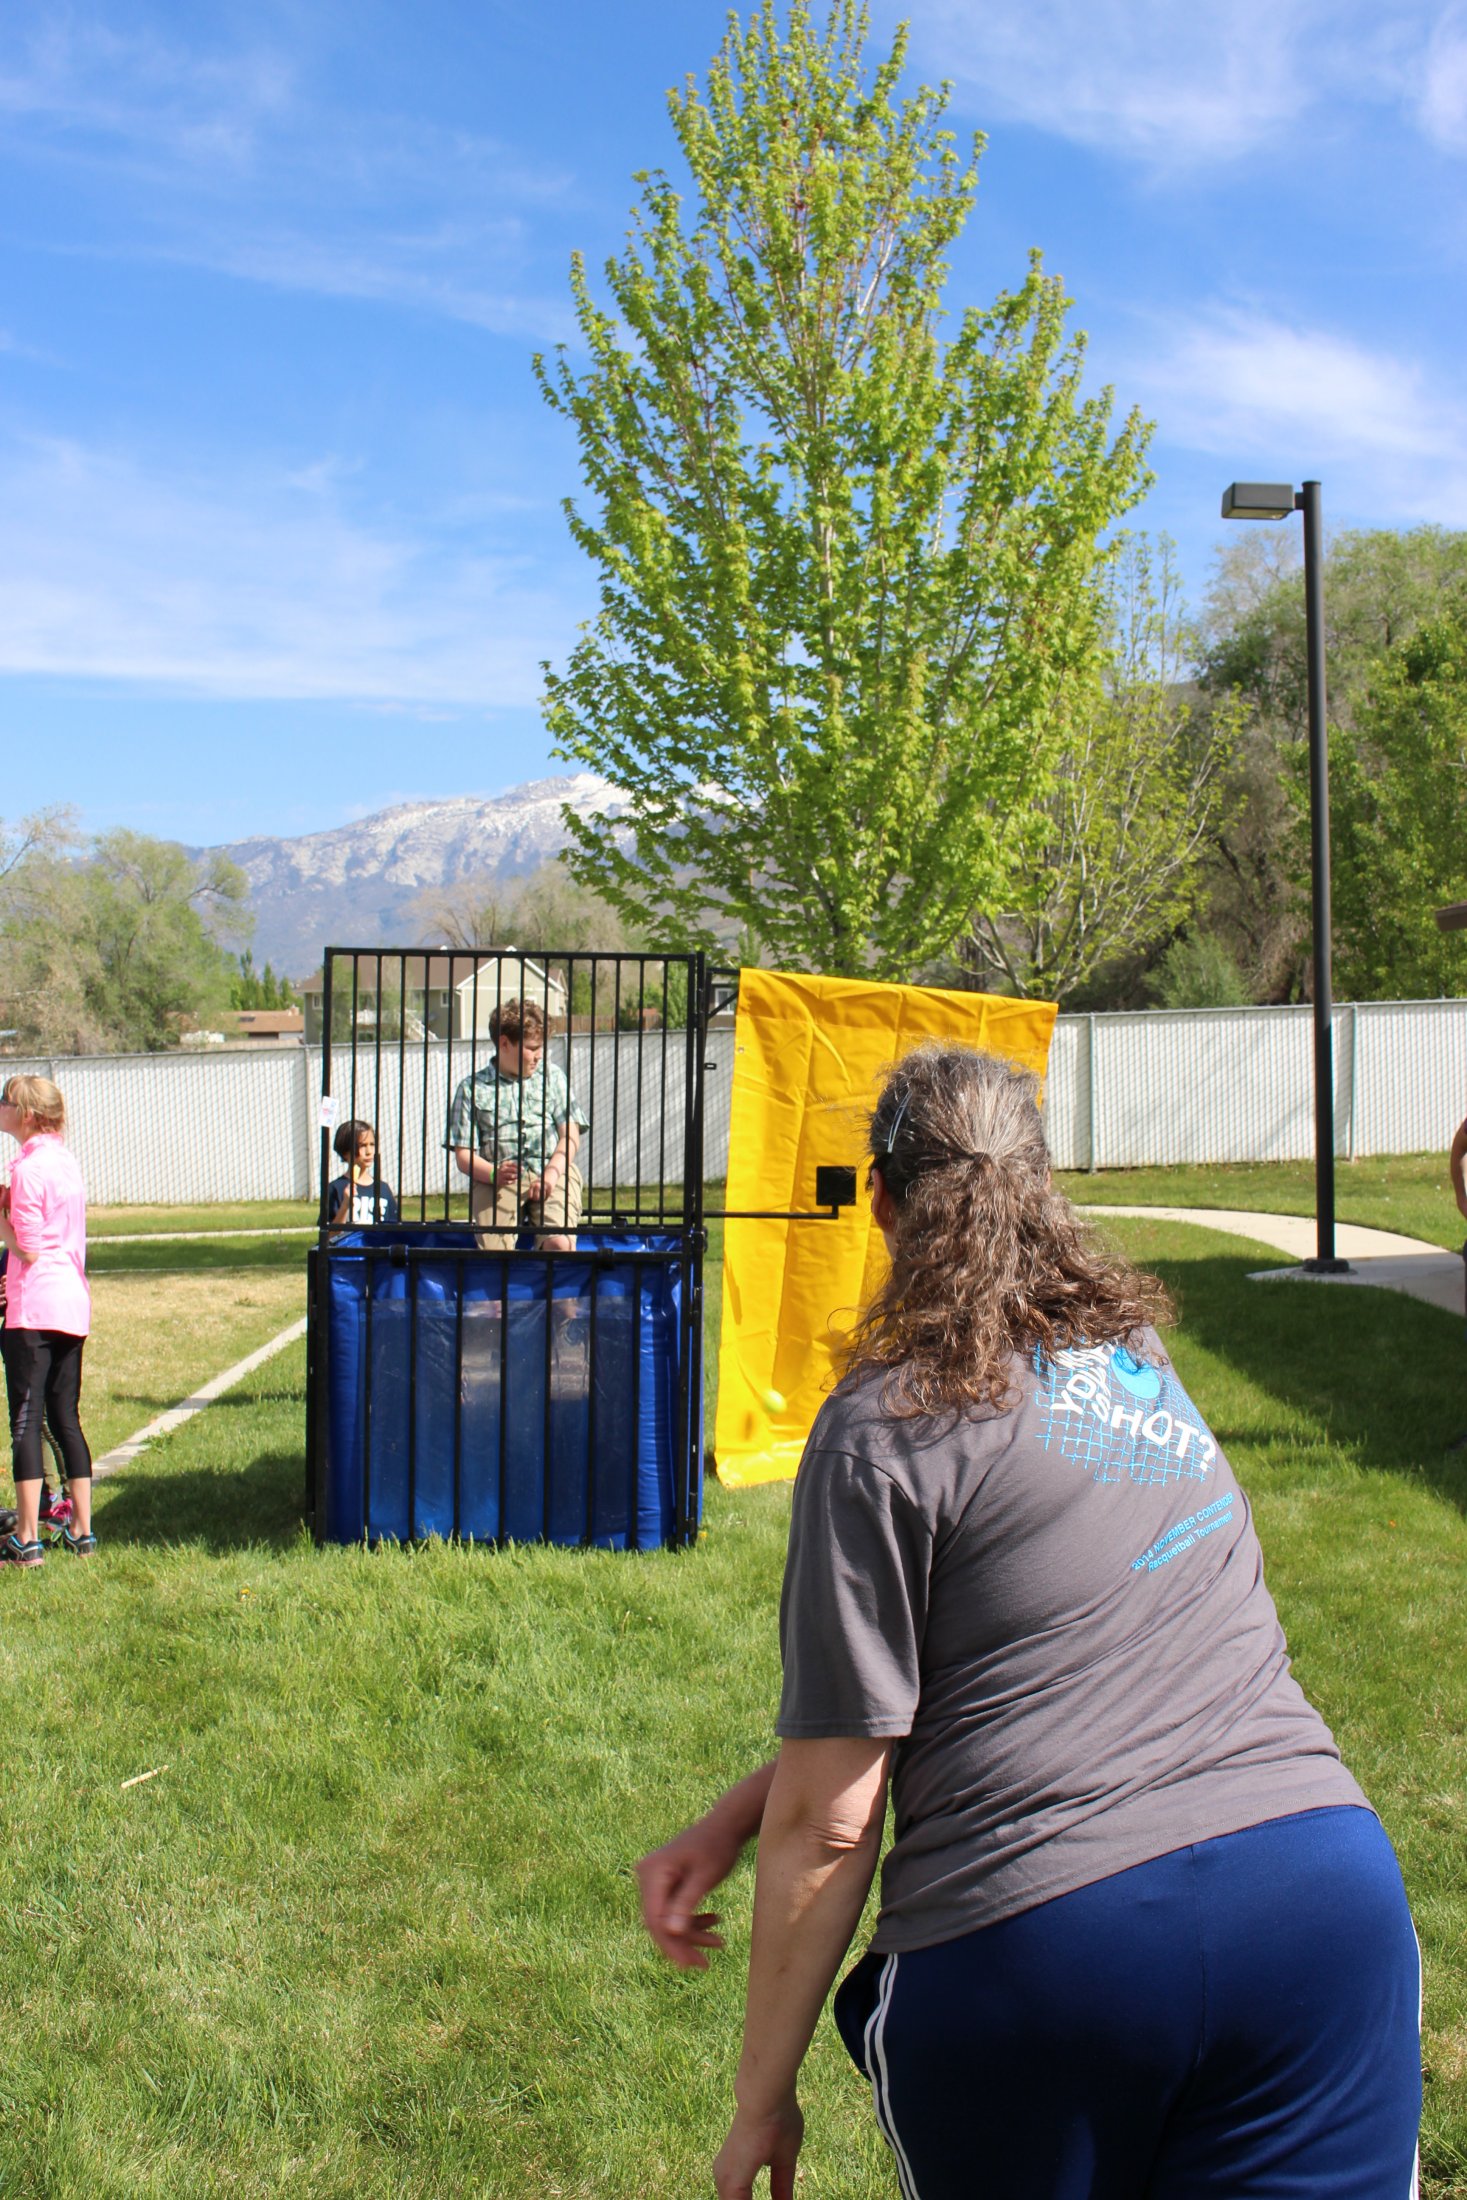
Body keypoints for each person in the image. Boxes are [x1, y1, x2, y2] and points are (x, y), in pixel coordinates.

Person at [637, 1045, 1421, 2200]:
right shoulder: (1139, 1358)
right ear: (1044, 1187)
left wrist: (762, 2099)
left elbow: (837, 1822)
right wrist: (734, 1816)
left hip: (1049, 1959)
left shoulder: (882, 1427)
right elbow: (998, 1677)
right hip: (1325, 1909)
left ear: (889, 1208)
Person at [0, 1076, 95, 1565]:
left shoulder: (28, 1169)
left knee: (26, 1421)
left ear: (28, 1115)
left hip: (32, 1306)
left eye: (7, 1101)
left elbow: (29, 1249)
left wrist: (2, 1224)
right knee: (66, 1419)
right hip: (72, 1303)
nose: (1, 1107)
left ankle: (28, 1538)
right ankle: (83, 1531)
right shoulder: (66, 1162)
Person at [445, 996, 587, 1254]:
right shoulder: (471, 1088)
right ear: (504, 1043)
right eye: (532, 1048)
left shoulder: (553, 1077)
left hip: (552, 1171)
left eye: (541, 1047)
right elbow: (463, 1156)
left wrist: (552, 1173)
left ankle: (559, 1295)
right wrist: (492, 1173)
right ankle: (503, 1295)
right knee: (495, 1256)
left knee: (560, 1246)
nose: (539, 1055)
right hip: (495, 1179)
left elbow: (571, 1136)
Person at [322, 1120, 399, 1229]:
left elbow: (394, 1229)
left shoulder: (383, 1188)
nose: (369, 1151)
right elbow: (329, 1237)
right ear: (345, 1152)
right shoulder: (335, 1188)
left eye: (372, 1144)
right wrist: (345, 1205)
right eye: (362, 1145)